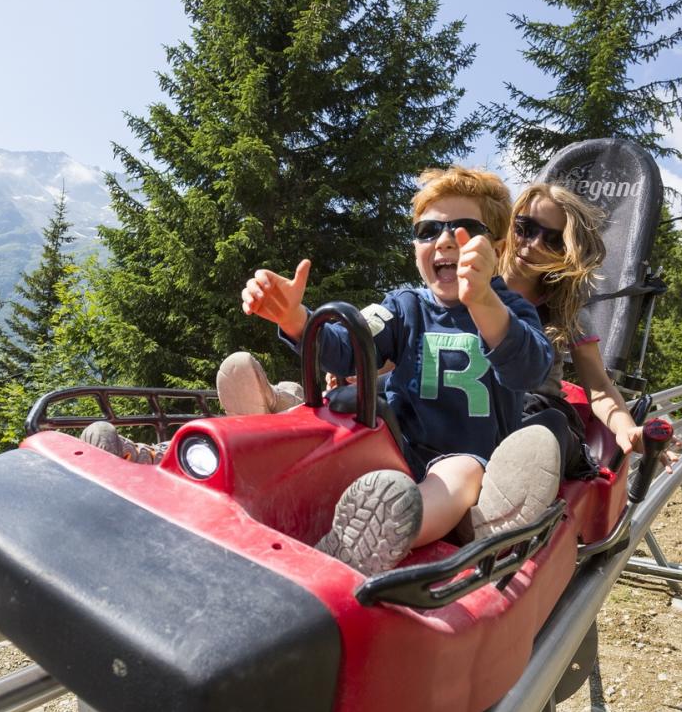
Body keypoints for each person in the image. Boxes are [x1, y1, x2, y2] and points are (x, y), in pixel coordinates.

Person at [228, 166, 558, 574]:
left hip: (465, 461)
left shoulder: (511, 310)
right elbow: (350, 349)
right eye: (427, 231)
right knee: (343, 418)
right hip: (391, 445)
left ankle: (377, 534)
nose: (442, 240)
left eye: (464, 230)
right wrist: (295, 317)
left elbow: (528, 370)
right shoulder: (405, 305)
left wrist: (484, 302)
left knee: (462, 472)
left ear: (497, 247)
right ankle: (249, 451)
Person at [501, 182, 675, 475]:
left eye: (553, 240)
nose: (533, 244)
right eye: (525, 228)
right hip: (473, 408)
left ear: (567, 252)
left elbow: (599, 387)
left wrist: (625, 428)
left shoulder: (564, 311)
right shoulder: (467, 289)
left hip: (533, 415)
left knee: (544, 427)